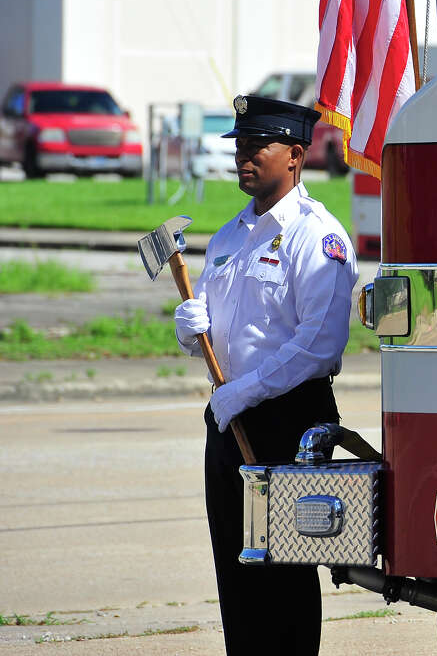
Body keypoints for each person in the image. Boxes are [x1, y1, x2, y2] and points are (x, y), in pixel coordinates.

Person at [173, 94, 358, 655]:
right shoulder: (231, 236)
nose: (244, 156)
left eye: (259, 145)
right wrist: (189, 328)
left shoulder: (317, 237)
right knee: (236, 562)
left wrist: (243, 395)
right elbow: (215, 332)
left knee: (282, 568)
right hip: (229, 415)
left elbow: (317, 346)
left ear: (296, 155)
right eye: (240, 145)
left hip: (288, 420)